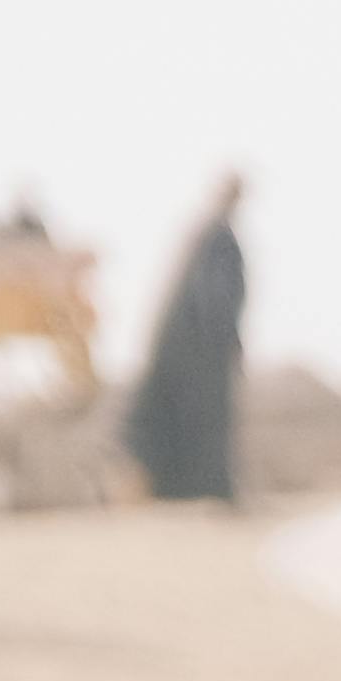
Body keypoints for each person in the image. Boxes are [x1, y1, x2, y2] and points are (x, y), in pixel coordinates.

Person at [122, 180, 248, 504]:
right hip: (198, 351)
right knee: (199, 422)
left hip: (190, 349)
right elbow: (213, 298)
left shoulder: (205, 234)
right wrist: (221, 343)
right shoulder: (216, 237)